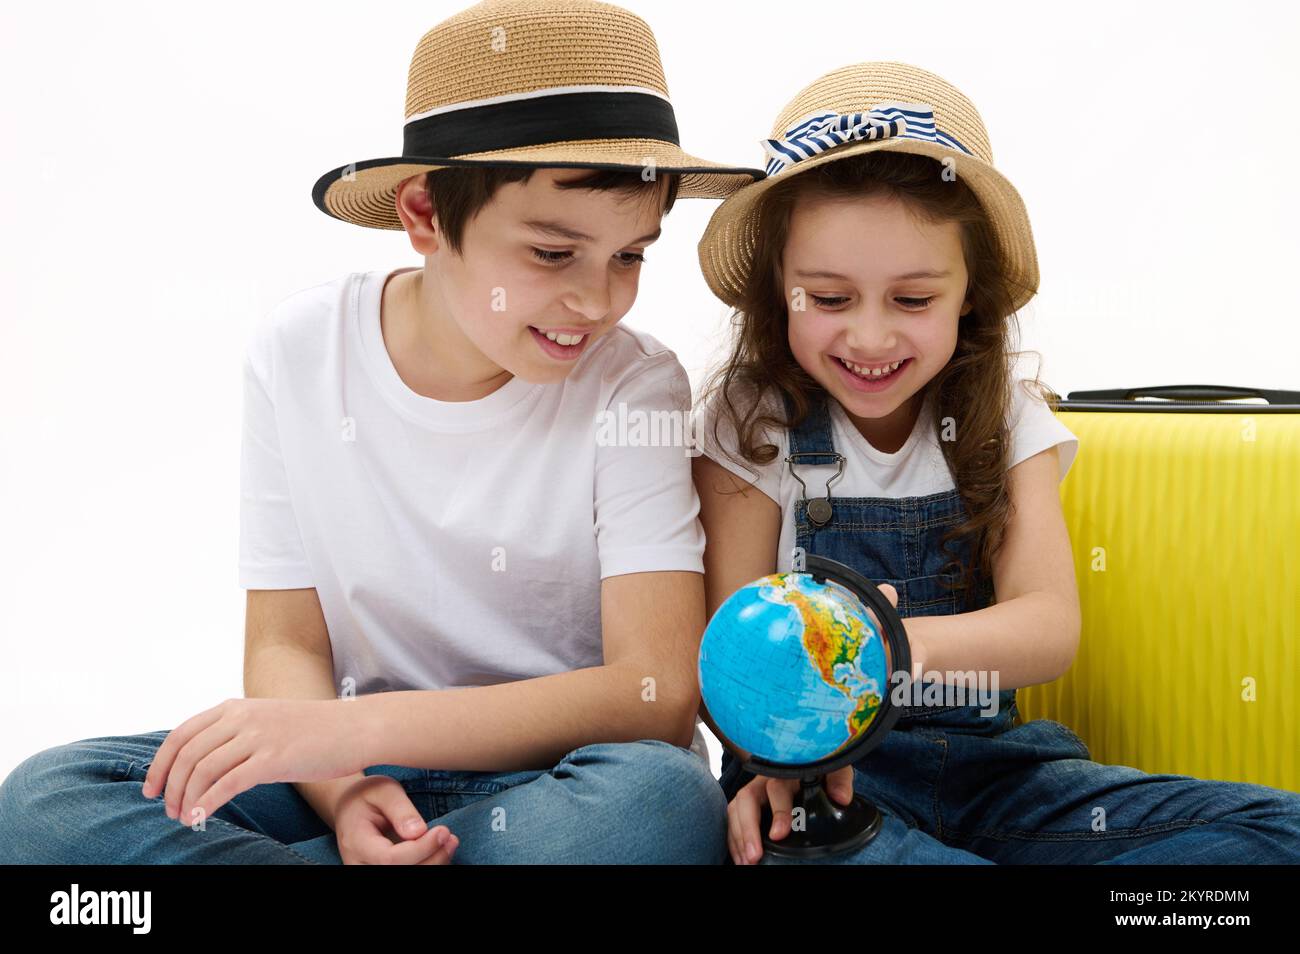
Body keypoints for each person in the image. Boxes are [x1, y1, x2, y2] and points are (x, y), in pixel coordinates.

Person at [0, 0, 766, 865]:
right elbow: (286, 640)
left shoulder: (635, 382)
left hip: (562, 778)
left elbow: (652, 694)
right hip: (352, 765)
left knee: (657, 805)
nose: (598, 300)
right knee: (46, 805)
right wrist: (343, 785)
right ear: (425, 214)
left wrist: (341, 734)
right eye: (554, 255)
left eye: (630, 255)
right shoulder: (299, 352)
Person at [690, 61, 1300, 865]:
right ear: (779, 290)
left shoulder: (1008, 417)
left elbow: (1048, 627)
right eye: (829, 299)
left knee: (1278, 833)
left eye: (913, 300)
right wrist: (770, 760)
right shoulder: (751, 420)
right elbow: (730, 655)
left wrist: (890, 644)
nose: (870, 339)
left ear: (971, 290)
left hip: (1003, 778)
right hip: (827, 786)